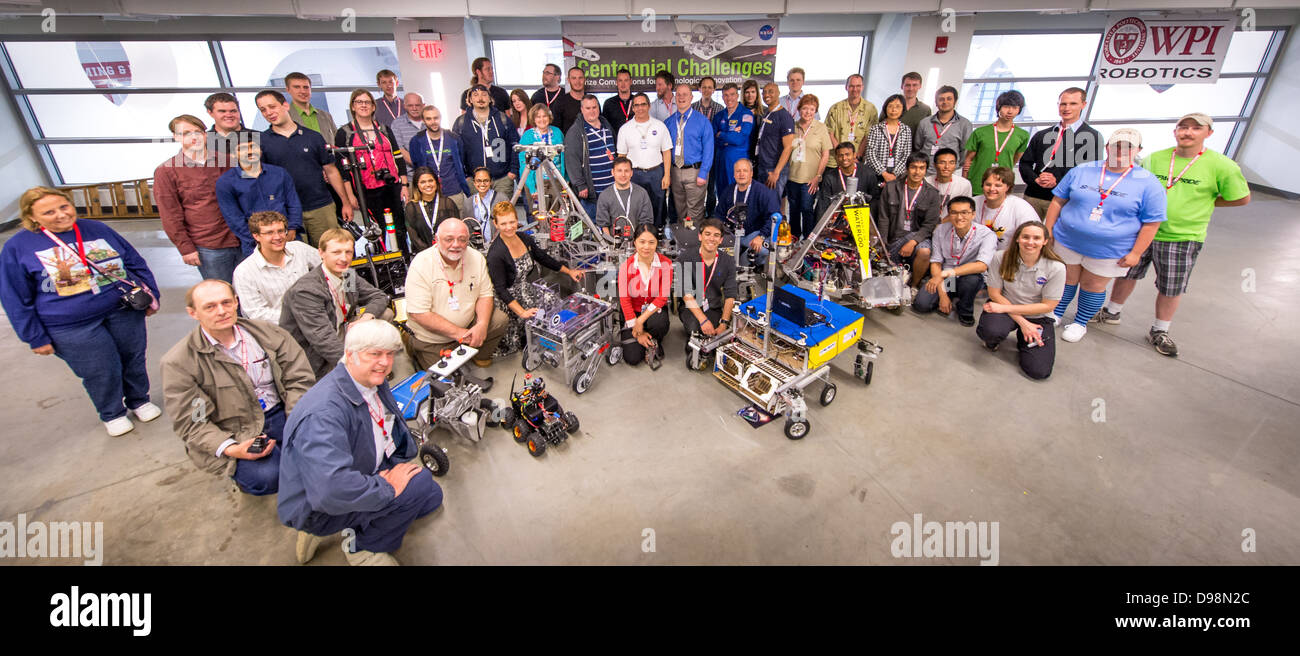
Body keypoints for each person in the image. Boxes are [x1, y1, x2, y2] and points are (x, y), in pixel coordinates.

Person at [278, 319, 444, 566]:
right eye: (375, 354)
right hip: (320, 503)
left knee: (431, 498)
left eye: (390, 354)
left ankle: (357, 521)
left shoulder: (368, 380)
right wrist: (387, 487)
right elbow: (330, 490)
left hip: (360, 468)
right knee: (418, 485)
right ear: (350, 354)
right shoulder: (323, 414)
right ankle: (361, 548)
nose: (385, 363)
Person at [0, 187, 161, 436]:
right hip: (70, 325)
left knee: (133, 357)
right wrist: (34, 336)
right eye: (49, 212)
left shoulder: (97, 229)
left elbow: (133, 261)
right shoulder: (17, 247)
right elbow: (14, 297)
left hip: (122, 310)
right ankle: (112, 413)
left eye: (64, 207)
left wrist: (152, 296)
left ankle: (139, 399)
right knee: (100, 369)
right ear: (32, 217)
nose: (61, 215)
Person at [1098, 113, 1251, 356]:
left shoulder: (1223, 166)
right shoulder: (1155, 159)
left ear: (1208, 133)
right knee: (1127, 272)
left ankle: (1160, 330)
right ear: (1175, 131)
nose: (1188, 132)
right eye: (1183, 127)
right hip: (1141, 229)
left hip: (1182, 235)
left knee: (1171, 286)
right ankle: (1112, 311)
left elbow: (1240, 198)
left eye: (1195, 128)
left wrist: (1207, 203)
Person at [161, 280, 315, 495]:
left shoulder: (269, 334)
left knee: (329, 452)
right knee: (269, 476)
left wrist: (297, 420)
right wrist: (234, 448)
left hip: (283, 411)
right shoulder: (180, 363)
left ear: (236, 302)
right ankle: (248, 478)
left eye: (226, 302)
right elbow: (193, 423)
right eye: (210, 306)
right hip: (236, 430)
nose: (221, 311)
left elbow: (299, 378)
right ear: (193, 313)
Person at [1044, 129, 1166, 343]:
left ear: (1138, 150)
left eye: (1129, 146)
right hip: (1067, 239)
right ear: (1107, 146)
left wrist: (1137, 253)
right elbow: (1058, 201)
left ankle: (1080, 322)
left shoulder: (1148, 182)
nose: (1121, 150)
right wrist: (1049, 228)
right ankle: (1056, 313)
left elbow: (1151, 223)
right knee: (1066, 280)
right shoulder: (1083, 170)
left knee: (1093, 285)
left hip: (1110, 249)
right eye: (1117, 145)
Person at [279, 228, 393, 380]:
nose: (344, 258)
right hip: (312, 354)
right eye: (336, 252)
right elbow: (323, 340)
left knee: (385, 314)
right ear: (321, 253)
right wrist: (359, 367)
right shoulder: (307, 291)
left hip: (340, 329)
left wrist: (366, 317)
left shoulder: (347, 276)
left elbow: (379, 296)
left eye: (348, 252)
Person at [404, 217, 508, 369]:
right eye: (449, 239)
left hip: (467, 327)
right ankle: (414, 347)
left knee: (499, 319)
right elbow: (419, 313)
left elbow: (485, 295)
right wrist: (459, 333)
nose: (456, 245)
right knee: (445, 384)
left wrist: (482, 325)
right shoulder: (421, 264)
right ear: (436, 240)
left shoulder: (476, 258)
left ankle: (478, 354)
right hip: (433, 339)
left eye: (462, 239)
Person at [256, 89, 353, 246]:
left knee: (331, 250)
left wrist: (345, 202)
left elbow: (331, 170)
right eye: (263, 110)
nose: (268, 112)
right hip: (285, 212)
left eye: (272, 106)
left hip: (321, 206)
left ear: (285, 105)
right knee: (298, 261)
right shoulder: (261, 142)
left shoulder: (313, 137)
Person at [486, 201, 585, 356]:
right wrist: (522, 312)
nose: (509, 227)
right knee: (538, 313)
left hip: (526, 287)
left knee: (553, 300)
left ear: (517, 220)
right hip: (509, 298)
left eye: (512, 222)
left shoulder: (524, 238)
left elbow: (543, 258)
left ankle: (567, 337)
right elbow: (500, 289)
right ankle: (545, 343)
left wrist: (569, 271)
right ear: (495, 224)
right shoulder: (495, 254)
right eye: (503, 223)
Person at [154, 114, 242, 282]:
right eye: (186, 133)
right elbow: (170, 215)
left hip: (242, 238)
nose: (194, 137)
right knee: (222, 294)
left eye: (198, 131)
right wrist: (186, 248)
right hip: (209, 245)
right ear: (176, 137)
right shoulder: (167, 171)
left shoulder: (227, 161)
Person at [977, 221, 1066, 380]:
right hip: (1005, 307)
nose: (1030, 242)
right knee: (991, 331)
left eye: (1036, 238)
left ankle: (1023, 340)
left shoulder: (1056, 267)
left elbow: (1048, 306)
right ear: (1017, 238)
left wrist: (1017, 317)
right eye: (1025, 237)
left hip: (1037, 315)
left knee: (1038, 371)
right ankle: (996, 339)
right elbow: (994, 293)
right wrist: (1024, 323)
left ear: (1045, 241)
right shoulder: (1001, 257)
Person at [335, 89, 410, 257]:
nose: (363, 105)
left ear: (373, 106)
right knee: (376, 230)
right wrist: (350, 196)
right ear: (353, 106)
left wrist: (404, 185)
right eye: (359, 102)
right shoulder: (345, 133)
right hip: (366, 190)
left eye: (367, 102)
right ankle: (383, 264)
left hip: (392, 186)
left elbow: (398, 157)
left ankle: (404, 260)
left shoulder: (384, 129)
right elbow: (343, 169)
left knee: (399, 226)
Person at [912, 196, 997, 326]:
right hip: (948, 278)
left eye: (964, 212)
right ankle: (950, 295)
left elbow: (981, 266)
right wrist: (943, 295)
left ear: (973, 214)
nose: (959, 217)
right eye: (954, 213)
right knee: (921, 305)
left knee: (971, 281)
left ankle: (965, 310)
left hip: (968, 276)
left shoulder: (986, 234)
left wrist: (946, 273)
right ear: (949, 214)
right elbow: (936, 263)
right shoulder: (940, 231)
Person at [1018, 87, 1103, 219]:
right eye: (1063, 104)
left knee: (1055, 238)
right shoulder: (1042, 135)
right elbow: (1025, 163)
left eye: (1073, 104)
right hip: (1033, 197)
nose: (1067, 108)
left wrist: (1057, 182)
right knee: (1026, 235)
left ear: (1083, 105)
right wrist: (1035, 179)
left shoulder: (1092, 137)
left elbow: (1090, 173)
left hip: (1065, 200)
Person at [215, 140, 304, 256]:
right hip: (254, 244)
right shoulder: (226, 182)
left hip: (289, 237)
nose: (249, 152)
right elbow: (233, 218)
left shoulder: (279, 173)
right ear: (233, 154)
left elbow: (294, 203)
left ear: (261, 151)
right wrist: (259, 239)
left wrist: (292, 229)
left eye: (252, 147)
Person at [232, 211, 322, 324]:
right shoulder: (244, 272)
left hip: (318, 319)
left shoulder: (300, 249)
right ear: (256, 236)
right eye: (270, 233)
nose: (278, 237)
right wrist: (300, 316)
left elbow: (334, 267)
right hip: (281, 330)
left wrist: (350, 293)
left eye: (281, 231)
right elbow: (256, 313)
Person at [872, 152, 943, 288]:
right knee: (883, 278)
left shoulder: (932, 194)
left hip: (918, 238)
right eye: (913, 167)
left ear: (926, 170)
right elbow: (884, 218)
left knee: (925, 252)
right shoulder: (891, 187)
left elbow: (929, 225)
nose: (917, 172)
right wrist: (882, 244)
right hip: (894, 238)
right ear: (907, 168)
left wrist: (913, 241)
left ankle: (913, 286)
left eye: (921, 168)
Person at [617, 224, 673, 367]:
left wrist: (640, 321)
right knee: (633, 358)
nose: (646, 247)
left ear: (657, 244)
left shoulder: (666, 264)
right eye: (642, 242)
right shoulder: (626, 267)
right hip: (632, 314)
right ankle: (644, 338)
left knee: (659, 324)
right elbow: (624, 300)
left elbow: (662, 297)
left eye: (651, 242)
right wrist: (636, 326)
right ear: (634, 242)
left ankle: (654, 339)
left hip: (653, 312)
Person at [616, 93, 672, 232]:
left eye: (643, 104)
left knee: (658, 206)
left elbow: (666, 151)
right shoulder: (625, 129)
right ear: (633, 108)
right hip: (635, 174)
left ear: (649, 106)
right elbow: (621, 156)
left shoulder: (660, 126)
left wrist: (667, 175)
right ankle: (637, 235)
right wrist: (622, 177)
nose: (640, 108)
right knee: (635, 206)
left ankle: (658, 234)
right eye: (637, 105)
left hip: (656, 173)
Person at [678, 218, 737, 340]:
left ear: (721, 240)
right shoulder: (685, 258)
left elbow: (730, 295)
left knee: (715, 333)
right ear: (700, 236)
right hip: (690, 307)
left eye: (716, 235)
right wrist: (703, 320)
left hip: (713, 306)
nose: (711, 239)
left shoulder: (728, 261)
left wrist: (724, 323)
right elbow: (686, 294)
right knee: (695, 328)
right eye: (707, 234)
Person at [457, 84, 520, 200]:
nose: (480, 98)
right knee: (479, 214)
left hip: (502, 179)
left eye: (484, 95)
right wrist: (464, 176)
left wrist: (513, 171)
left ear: (490, 99)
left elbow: (515, 145)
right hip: (475, 181)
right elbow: (457, 152)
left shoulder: (503, 119)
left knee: (503, 214)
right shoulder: (461, 123)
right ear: (470, 99)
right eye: (475, 95)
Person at [716, 159, 780, 268]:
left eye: (745, 171)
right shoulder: (728, 191)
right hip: (732, 233)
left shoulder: (763, 192)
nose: (741, 174)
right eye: (738, 171)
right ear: (734, 174)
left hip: (754, 234)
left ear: (751, 173)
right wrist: (719, 232)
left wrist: (761, 236)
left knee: (764, 250)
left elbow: (774, 217)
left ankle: (754, 263)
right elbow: (719, 215)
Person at [666, 82, 715, 225]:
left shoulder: (702, 121)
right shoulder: (668, 122)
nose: (681, 97)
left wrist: (703, 173)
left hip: (695, 172)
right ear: (675, 97)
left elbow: (709, 149)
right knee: (681, 210)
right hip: (675, 171)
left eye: (685, 94)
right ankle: (684, 240)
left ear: (692, 97)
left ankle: (693, 242)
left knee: (694, 212)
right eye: (678, 94)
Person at [963, 90, 1028, 194]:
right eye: (1006, 106)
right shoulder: (980, 132)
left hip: (1002, 185)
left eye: (1015, 108)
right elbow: (968, 160)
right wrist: (965, 183)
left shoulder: (1023, 135)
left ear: (1019, 110)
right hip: (977, 183)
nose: (1010, 111)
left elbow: (1014, 160)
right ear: (999, 108)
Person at [406, 105, 471, 210]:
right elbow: (417, 166)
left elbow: (462, 160)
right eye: (428, 119)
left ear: (440, 118)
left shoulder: (453, 138)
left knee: (458, 224)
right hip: (430, 193)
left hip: (454, 192)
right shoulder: (417, 141)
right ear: (423, 120)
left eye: (436, 118)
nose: (433, 122)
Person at [785, 95, 832, 240]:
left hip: (810, 179)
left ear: (816, 111)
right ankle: (794, 237)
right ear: (799, 109)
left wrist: (818, 176)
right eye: (805, 108)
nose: (808, 112)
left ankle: (808, 240)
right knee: (793, 210)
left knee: (807, 209)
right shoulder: (793, 126)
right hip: (793, 176)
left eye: (812, 109)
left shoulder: (821, 127)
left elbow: (826, 154)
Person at [565, 94, 618, 220]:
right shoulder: (575, 131)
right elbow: (572, 160)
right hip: (592, 191)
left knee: (612, 222)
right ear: (582, 110)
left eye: (594, 107)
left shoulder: (606, 125)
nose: (592, 111)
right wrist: (580, 184)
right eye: (588, 108)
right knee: (593, 225)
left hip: (611, 186)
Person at [974, 167, 1039, 250]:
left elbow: (1032, 237)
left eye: (998, 185)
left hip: (1006, 257)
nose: (992, 189)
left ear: (1008, 187)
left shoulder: (1021, 208)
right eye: (988, 184)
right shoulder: (973, 203)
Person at [517, 104, 567, 210]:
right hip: (536, 181)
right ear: (534, 119)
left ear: (549, 117)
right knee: (539, 215)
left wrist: (565, 180)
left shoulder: (557, 132)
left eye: (544, 116)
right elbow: (523, 163)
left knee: (557, 215)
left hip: (556, 180)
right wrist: (531, 187)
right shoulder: (527, 135)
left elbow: (564, 158)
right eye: (538, 117)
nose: (542, 119)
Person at [713, 83, 755, 202]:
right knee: (722, 194)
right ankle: (723, 219)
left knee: (739, 194)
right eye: (725, 95)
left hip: (738, 161)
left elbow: (740, 138)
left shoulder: (746, 114)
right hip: (721, 161)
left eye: (732, 94)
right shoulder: (718, 116)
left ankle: (738, 220)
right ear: (722, 97)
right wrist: (730, 136)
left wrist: (722, 134)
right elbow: (714, 139)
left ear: (737, 95)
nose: (729, 98)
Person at [405, 167, 461, 253]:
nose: (428, 185)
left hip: (448, 253)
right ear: (417, 185)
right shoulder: (411, 207)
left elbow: (457, 231)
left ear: (436, 182)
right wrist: (430, 254)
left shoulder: (448, 203)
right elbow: (414, 237)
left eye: (430, 181)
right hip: (423, 256)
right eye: (423, 182)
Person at [754, 82, 795, 200]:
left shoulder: (784, 117)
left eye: (771, 91)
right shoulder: (767, 113)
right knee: (762, 204)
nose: (767, 95)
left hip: (774, 169)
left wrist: (776, 172)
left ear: (778, 93)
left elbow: (788, 147)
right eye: (764, 92)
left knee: (772, 205)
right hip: (762, 166)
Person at [913, 86, 973, 166]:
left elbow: (964, 151)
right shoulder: (925, 123)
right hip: (926, 170)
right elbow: (918, 147)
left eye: (949, 99)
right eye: (941, 99)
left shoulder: (965, 124)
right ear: (936, 102)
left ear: (955, 101)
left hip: (949, 172)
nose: (945, 102)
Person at [816, 142, 880, 218]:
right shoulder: (830, 177)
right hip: (837, 218)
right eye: (841, 155)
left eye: (847, 154)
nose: (844, 158)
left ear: (854, 155)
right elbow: (823, 204)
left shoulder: (868, 173)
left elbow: (874, 200)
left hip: (861, 218)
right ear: (836, 157)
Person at [863, 94, 912, 188]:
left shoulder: (906, 130)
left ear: (903, 109)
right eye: (890, 106)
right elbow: (870, 154)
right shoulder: (876, 129)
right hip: (876, 176)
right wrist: (884, 174)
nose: (894, 110)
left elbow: (906, 155)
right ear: (885, 108)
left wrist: (894, 175)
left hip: (897, 177)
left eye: (898, 107)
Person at [596, 157, 653, 236]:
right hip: (614, 243)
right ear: (613, 172)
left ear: (631, 173)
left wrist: (639, 243)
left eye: (626, 171)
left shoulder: (642, 193)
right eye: (619, 171)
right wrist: (611, 244)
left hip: (637, 243)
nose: (623, 175)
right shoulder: (604, 196)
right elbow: (603, 225)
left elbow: (646, 222)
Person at [826, 74, 878, 160]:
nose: (855, 89)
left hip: (857, 159)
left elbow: (869, 135)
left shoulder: (871, 109)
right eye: (851, 86)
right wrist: (841, 153)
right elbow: (829, 132)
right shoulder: (835, 108)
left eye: (858, 86)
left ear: (862, 87)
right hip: (836, 159)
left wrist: (857, 155)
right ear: (846, 87)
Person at [205, 92, 255, 167]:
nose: (228, 115)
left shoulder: (260, 138)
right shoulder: (202, 142)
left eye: (233, 111)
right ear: (210, 113)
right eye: (222, 111)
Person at [284, 72, 339, 140]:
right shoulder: (284, 117)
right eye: (297, 87)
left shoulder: (326, 116)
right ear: (288, 90)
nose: (303, 91)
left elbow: (337, 142)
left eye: (306, 87)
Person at [924, 148, 973, 219]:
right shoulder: (926, 182)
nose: (947, 167)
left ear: (956, 165)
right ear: (934, 165)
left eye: (951, 163)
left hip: (954, 223)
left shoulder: (964, 184)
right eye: (942, 162)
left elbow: (965, 211)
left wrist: (941, 223)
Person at [461, 167, 501, 243]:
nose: (482, 184)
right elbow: (466, 226)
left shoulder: (501, 198)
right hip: (476, 244)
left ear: (491, 182)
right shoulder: (468, 202)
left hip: (498, 242)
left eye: (486, 181)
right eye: (478, 181)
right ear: (474, 182)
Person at [389, 92, 427, 158]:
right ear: (404, 106)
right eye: (410, 105)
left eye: (417, 105)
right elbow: (400, 149)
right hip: (412, 167)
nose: (414, 108)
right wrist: (419, 164)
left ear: (423, 105)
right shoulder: (397, 124)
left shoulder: (431, 121)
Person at [550, 67, 587, 133]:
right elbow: (556, 130)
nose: (577, 81)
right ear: (568, 80)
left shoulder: (592, 101)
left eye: (580, 78)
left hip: (591, 141)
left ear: (585, 79)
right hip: (568, 142)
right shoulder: (560, 102)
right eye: (574, 78)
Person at [603, 68, 636, 134]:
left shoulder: (637, 101)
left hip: (635, 141)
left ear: (631, 82)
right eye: (620, 80)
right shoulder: (608, 103)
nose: (623, 84)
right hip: (616, 142)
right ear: (616, 82)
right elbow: (605, 127)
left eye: (626, 80)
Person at [742, 80, 766, 161]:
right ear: (743, 94)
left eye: (753, 92)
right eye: (747, 92)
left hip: (760, 153)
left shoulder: (765, 111)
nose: (750, 95)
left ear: (757, 94)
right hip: (743, 152)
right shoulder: (738, 110)